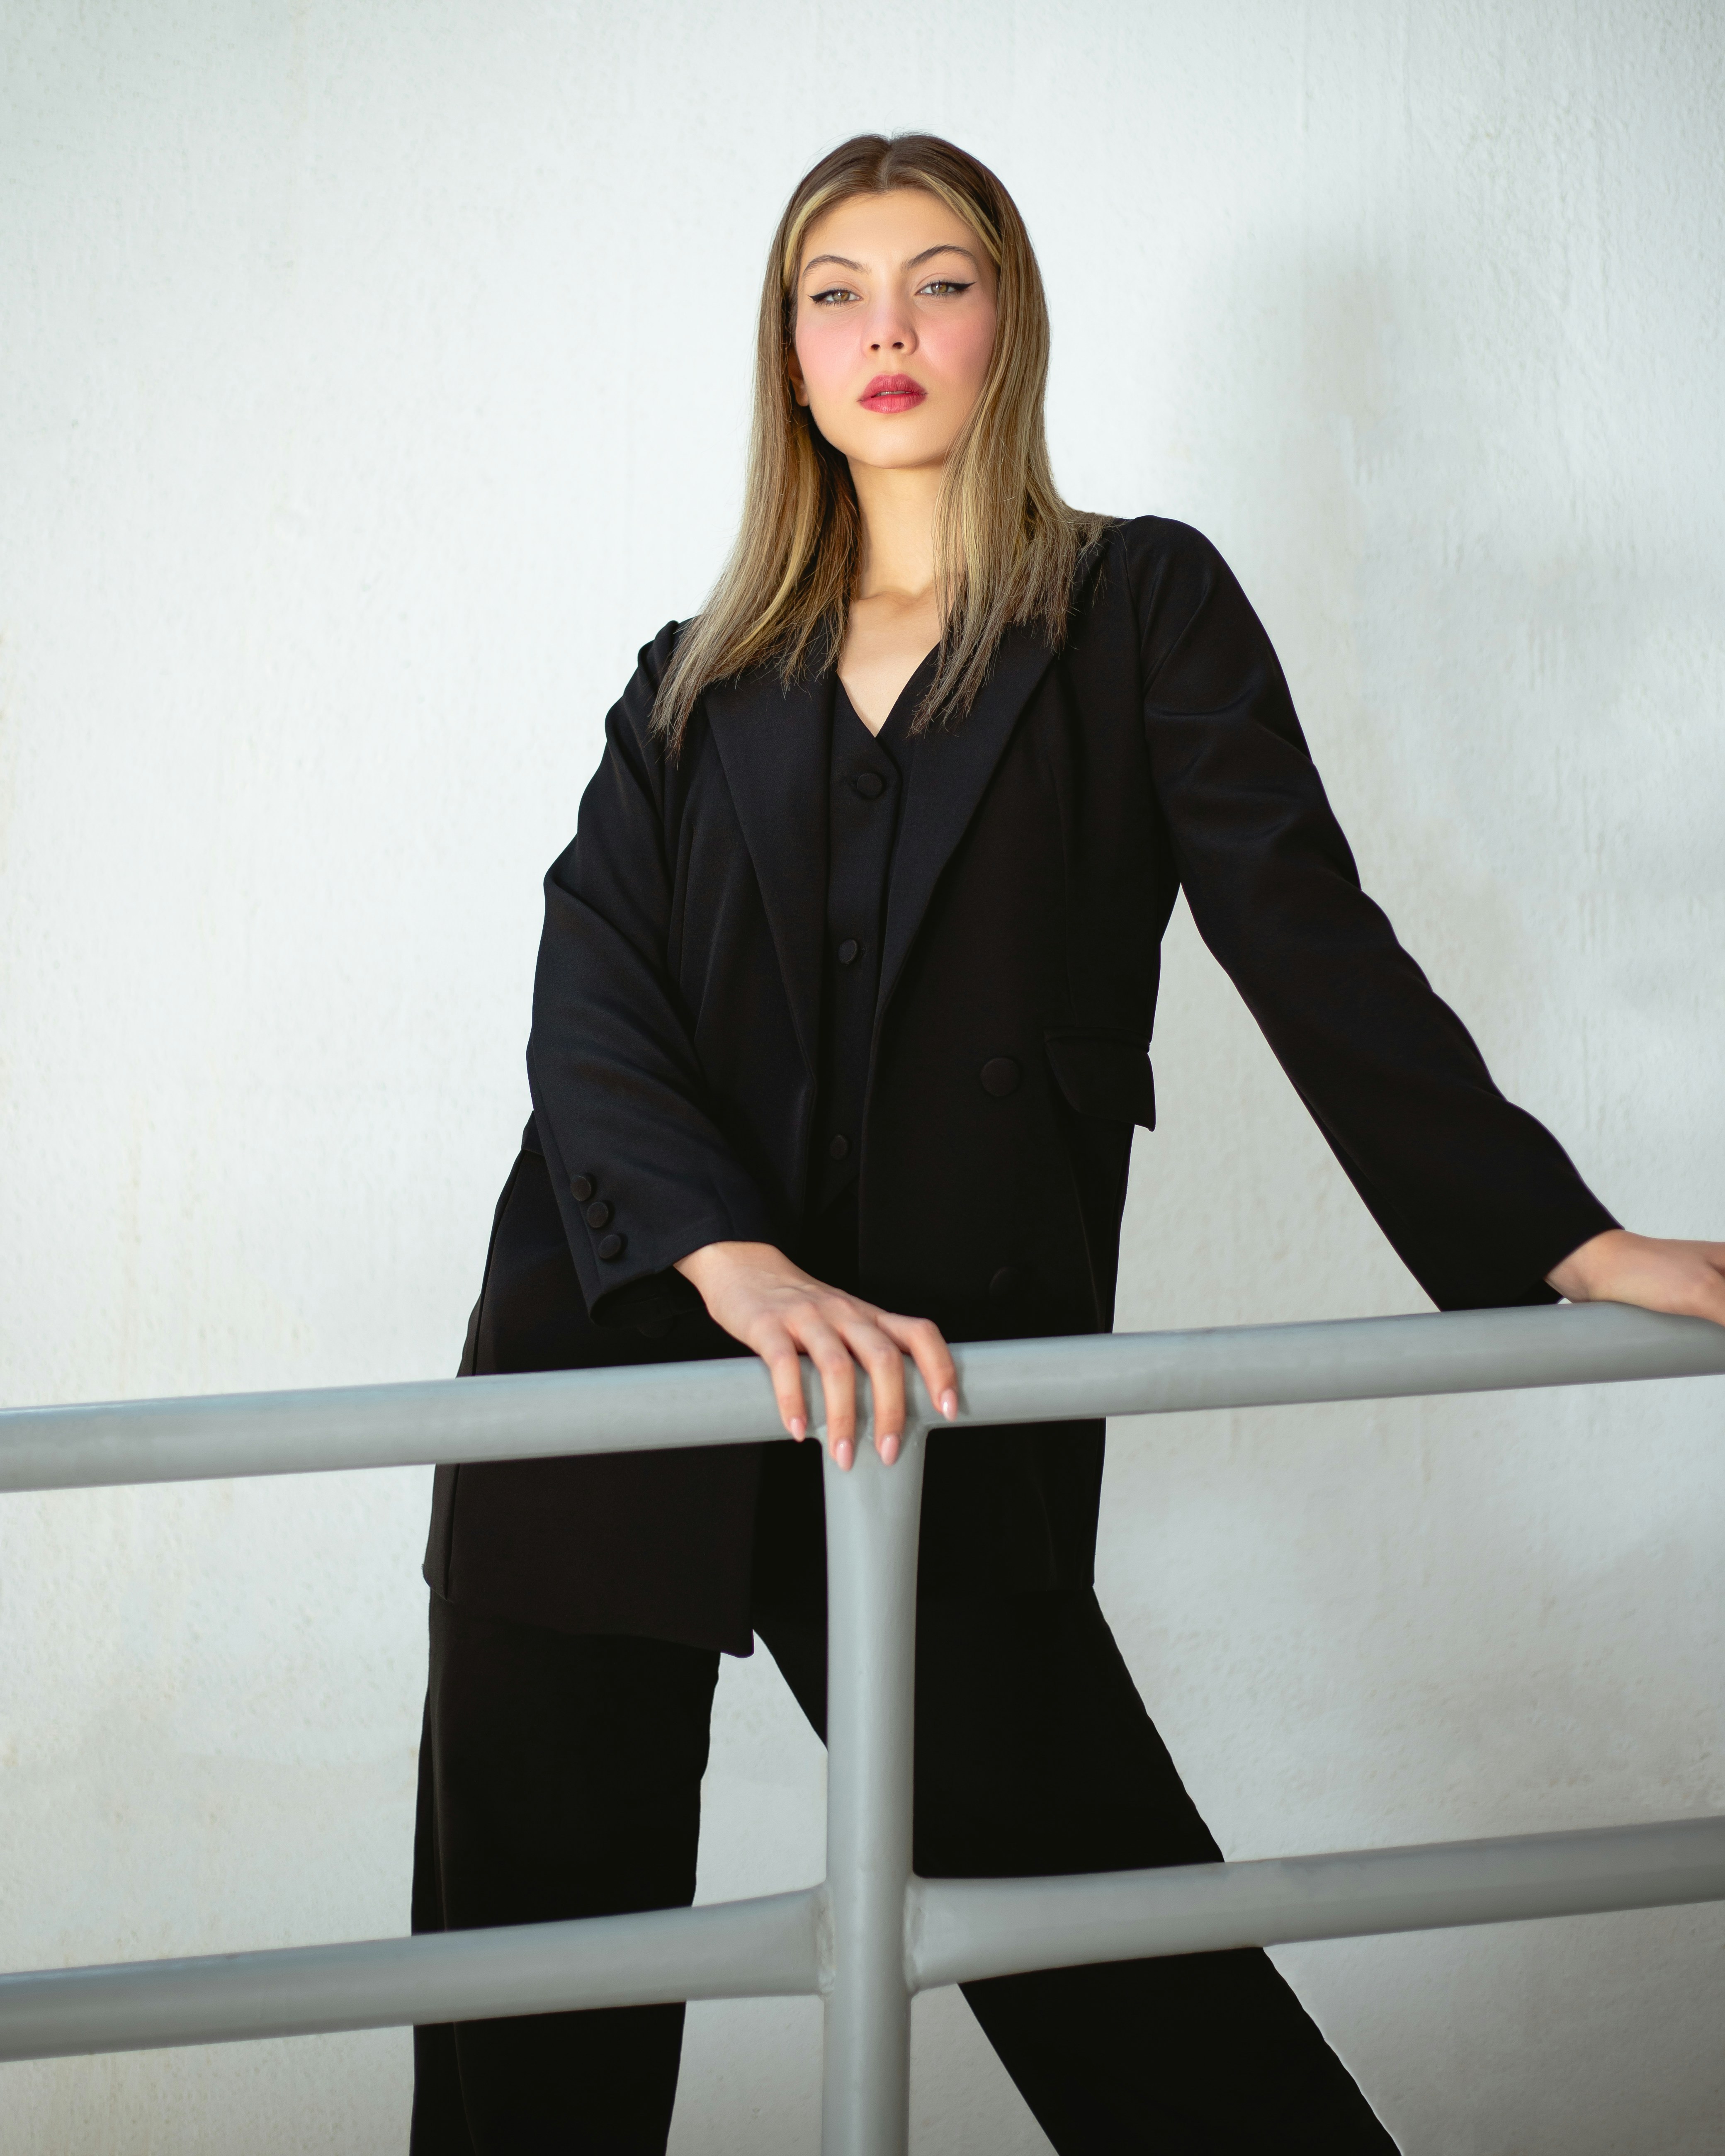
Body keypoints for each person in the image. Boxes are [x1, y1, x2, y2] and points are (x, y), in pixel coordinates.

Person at [409, 133, 1725, 2154]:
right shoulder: (682, 690)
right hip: (609, 1383)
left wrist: (1551, 1237)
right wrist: (731, 1263)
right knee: (532, 2050)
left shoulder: (1138, 608)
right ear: (784, 348)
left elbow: (1307, 934)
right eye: (833, 289)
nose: (885, 330)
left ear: (1004, 319)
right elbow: (586, 1018)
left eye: (936, 281)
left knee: (1140, 1998)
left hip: (927, 1390)